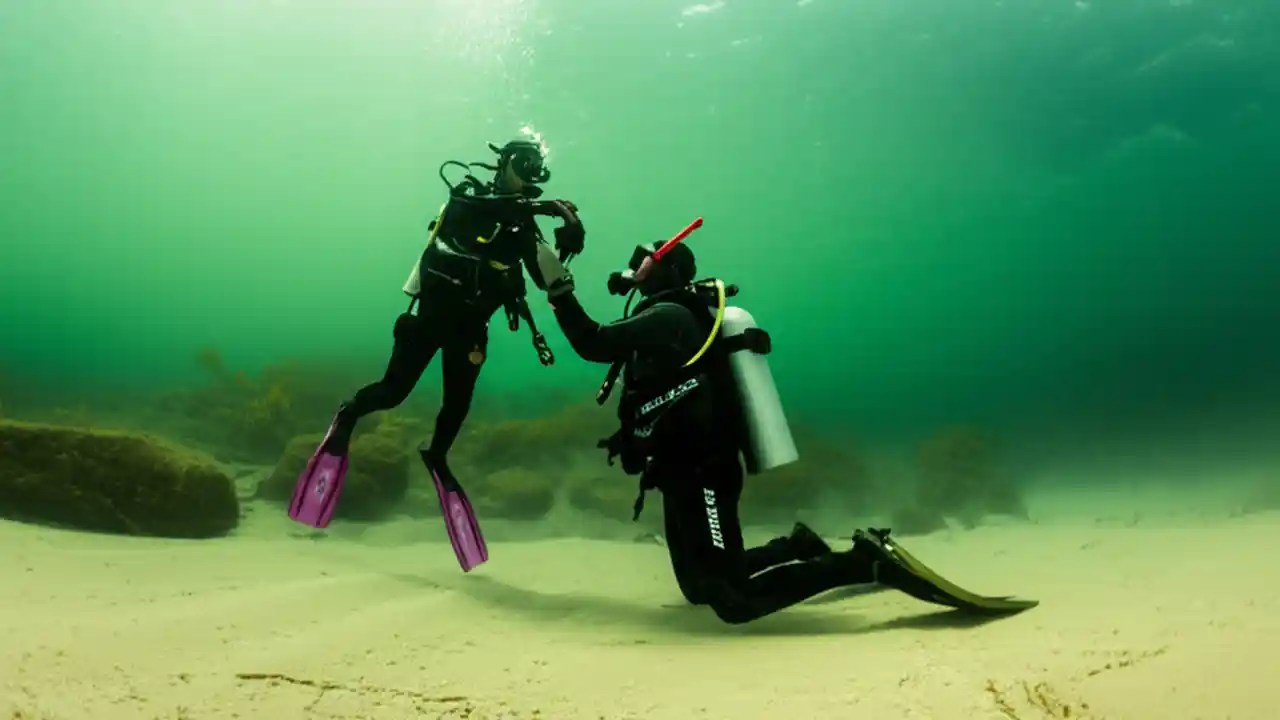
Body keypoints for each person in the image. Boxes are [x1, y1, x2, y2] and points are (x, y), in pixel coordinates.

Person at [528, 235, 1038, 623]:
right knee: (698, 588)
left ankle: (865, 562)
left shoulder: (671, 317)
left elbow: (593, 342)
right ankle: (795, 546)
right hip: (676, 469)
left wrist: (559, 291)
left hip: (705, 469)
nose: (637, 265)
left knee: (734, 601)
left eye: (649, 258)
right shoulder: (660, 320)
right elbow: (659, 394)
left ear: (670, 270)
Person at [290, 134, 585, 528]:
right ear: (504, 163)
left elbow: (547, 280)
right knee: (393, 392)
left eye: (535, 165)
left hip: (470, 331)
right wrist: (542, 207)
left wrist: (566, 248)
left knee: (457, 405)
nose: (528, 172)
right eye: (522, 162)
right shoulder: (467, 195)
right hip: (429, 319)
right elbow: (470, 213)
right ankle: (348, 415)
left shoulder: (524, 227)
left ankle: (437, 455)